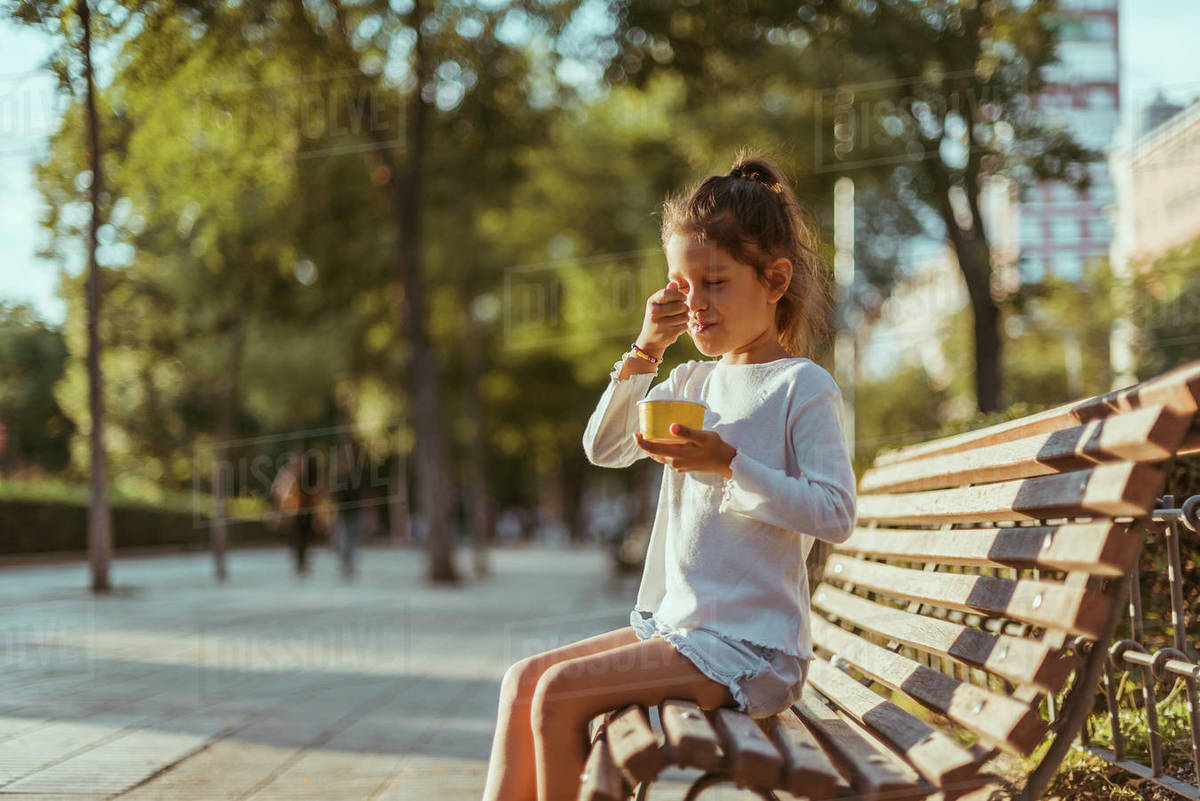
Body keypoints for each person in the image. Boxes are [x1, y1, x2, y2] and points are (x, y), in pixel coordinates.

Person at [481, 151, 858, 801]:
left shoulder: (802, 386)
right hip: (683, 631)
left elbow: (835, 513)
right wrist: (646, 348)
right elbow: (603, 446)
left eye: (715, 283)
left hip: (752, 648)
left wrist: (730, 464)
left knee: (560, 694)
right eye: (684, 289)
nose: (698, 307)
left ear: (774, 279)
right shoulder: (690, 380)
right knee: (522, 681)